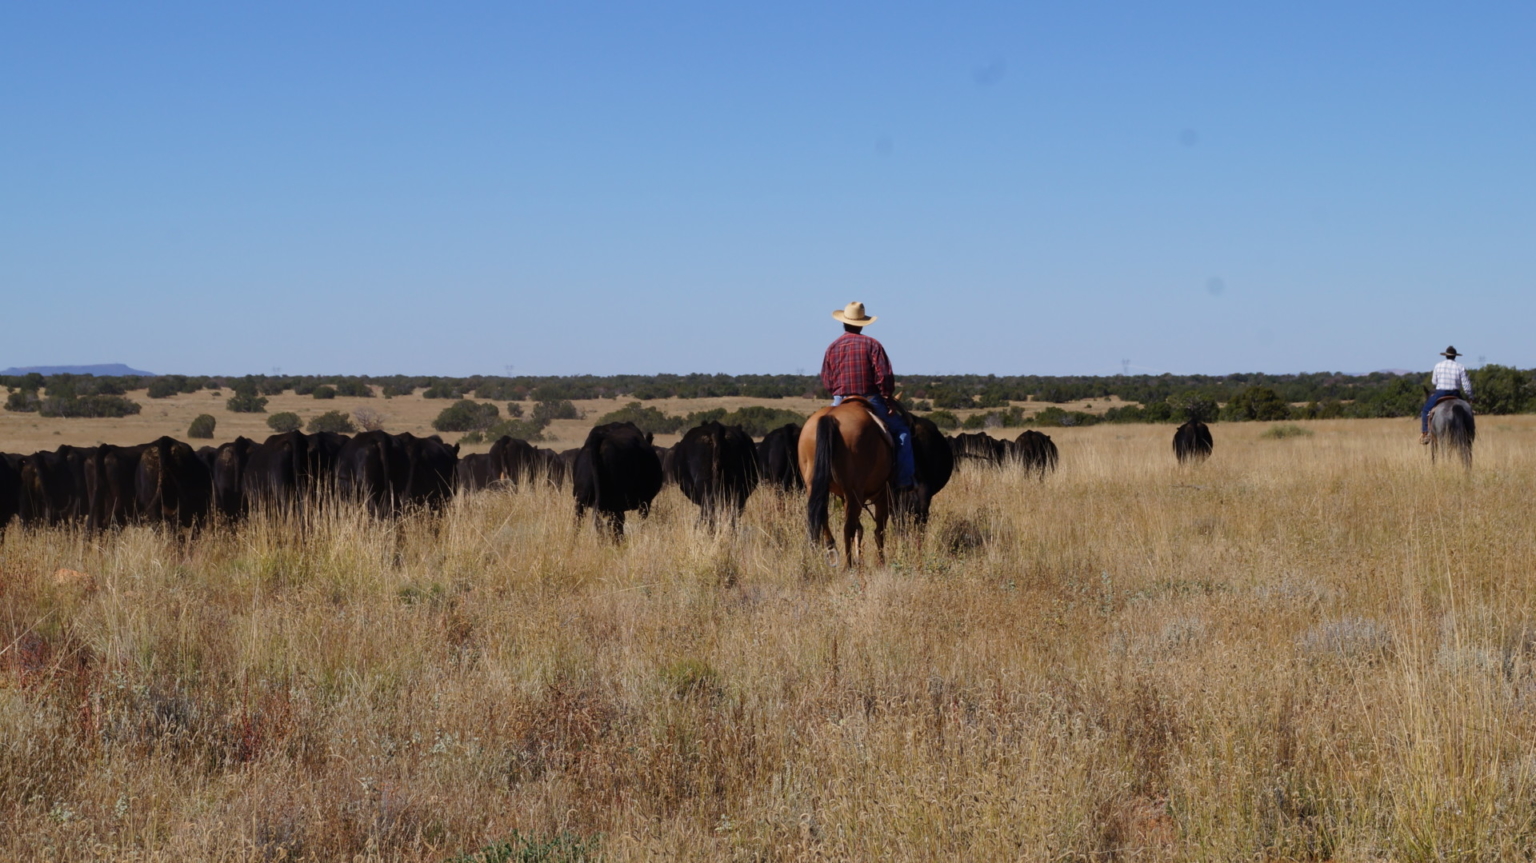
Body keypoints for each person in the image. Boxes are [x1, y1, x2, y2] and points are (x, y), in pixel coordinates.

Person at [820, 301, 915, 489]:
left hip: (841, 399)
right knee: (902, 432)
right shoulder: (872, 344)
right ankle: (904, 480)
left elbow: (826, 378)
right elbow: (884, 375)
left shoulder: (832, 347)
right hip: (869, 398)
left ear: (843, 323)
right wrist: (887, 398)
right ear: (862, 323)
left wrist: (838, 392)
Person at [1421, 345, 1473, 444]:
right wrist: (1470, 396)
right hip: (1455, 393)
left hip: (1440, 393)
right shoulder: (1460, 366)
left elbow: (1434, 382)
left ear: (1446, 356)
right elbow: (1466, 385)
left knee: (1425, 410)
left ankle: (1426, 433)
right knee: (1468, 410)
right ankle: (1470, 434)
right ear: (1455, 356)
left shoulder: (1438, 365)